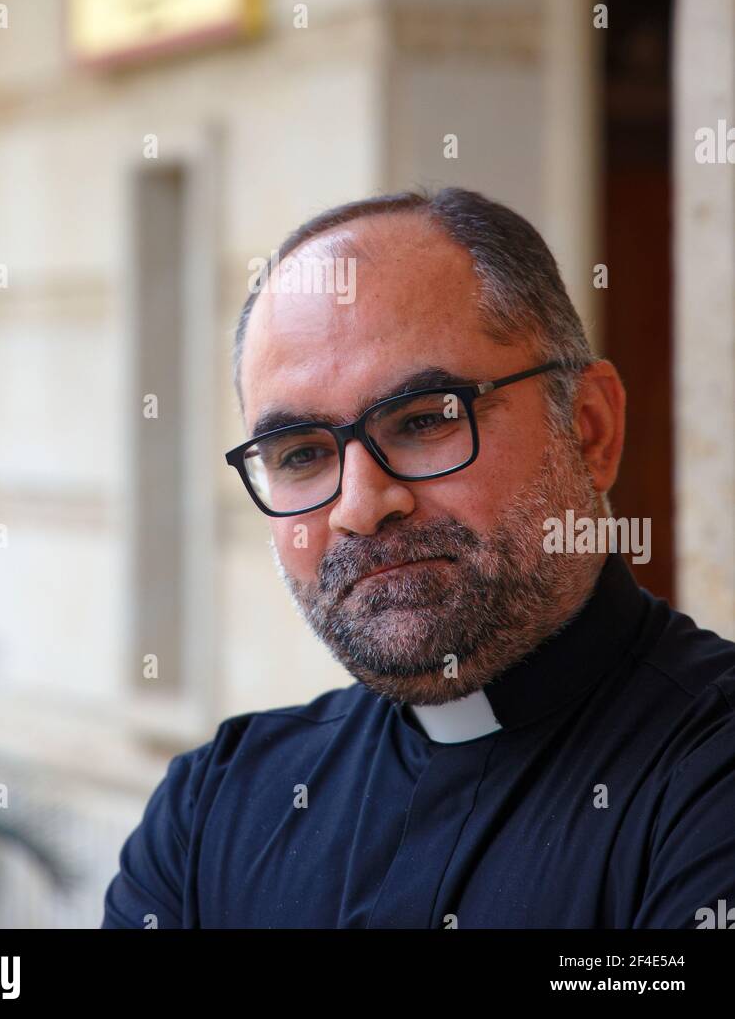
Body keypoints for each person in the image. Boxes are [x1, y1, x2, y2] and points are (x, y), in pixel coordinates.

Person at [101, 187, 735, 929]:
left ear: (590, 430)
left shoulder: (709, 776)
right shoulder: (213, 808)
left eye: (426, 421)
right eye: (302, 453)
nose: (361, 505)